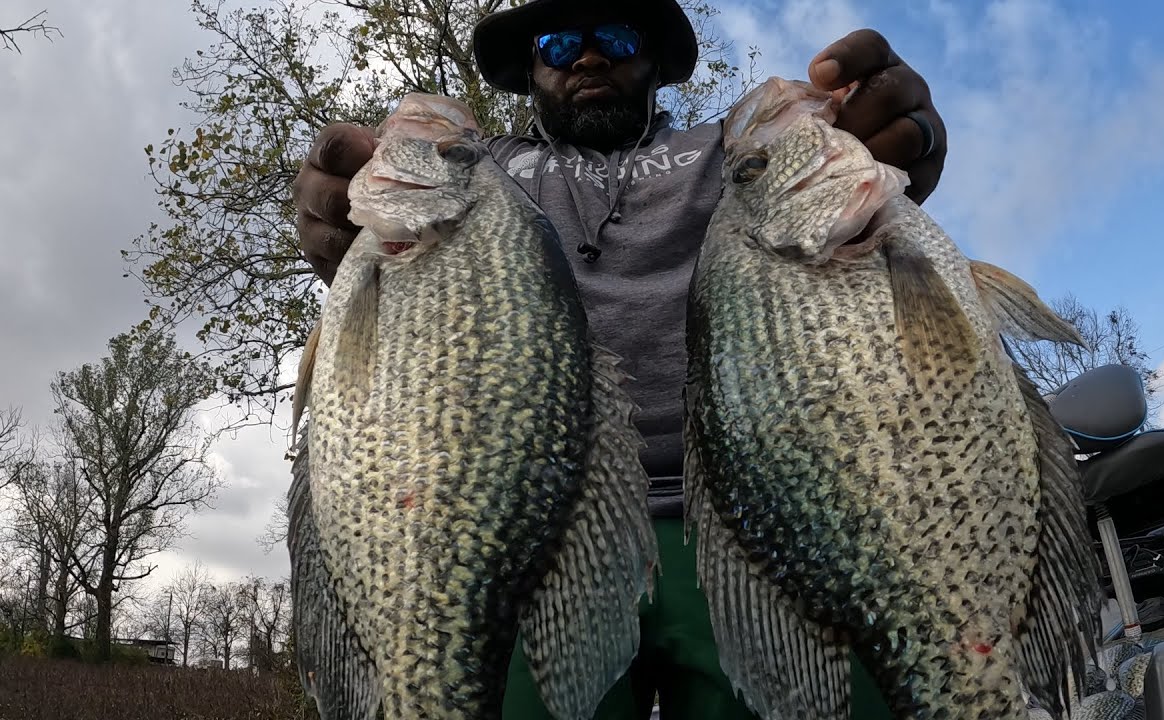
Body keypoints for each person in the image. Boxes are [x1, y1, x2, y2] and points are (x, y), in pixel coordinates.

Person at [291, 0, 948, 717]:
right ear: (532, 68)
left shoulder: (733, 156)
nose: (589, 56)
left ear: (655, 60)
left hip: (754, 521)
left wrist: (886, 142)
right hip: (528, 538)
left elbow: (828, 196)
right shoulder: (486, 174)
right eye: (559, 41)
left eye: (615, 35)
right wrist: (343, 228)